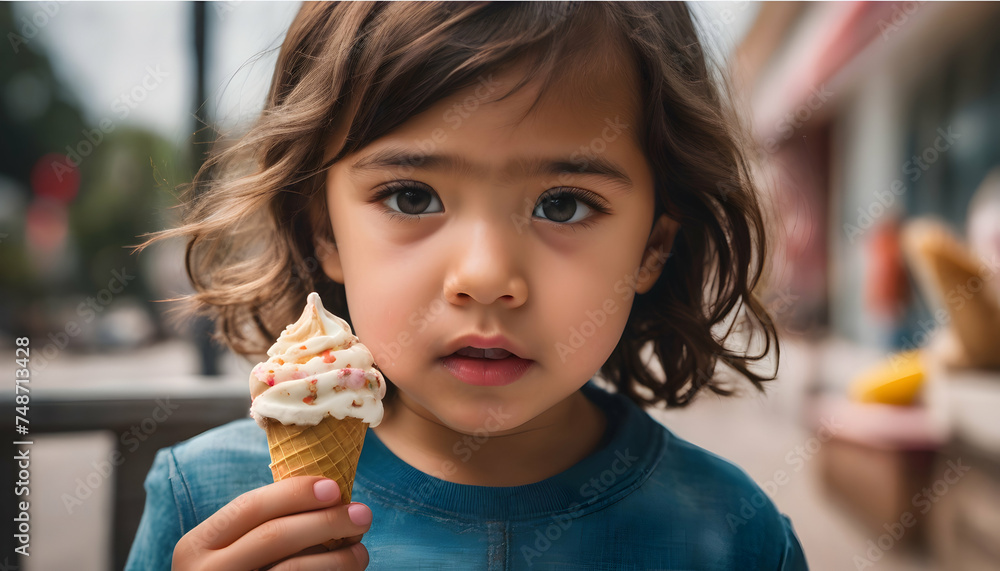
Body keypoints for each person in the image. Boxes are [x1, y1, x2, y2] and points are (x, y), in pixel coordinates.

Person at [127, 2, 808, 569]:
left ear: (653, 247)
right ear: (323, 232)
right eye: (412, 197)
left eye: (563, 204)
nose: (484, 278)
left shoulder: (736, 536)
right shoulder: (207, 509)